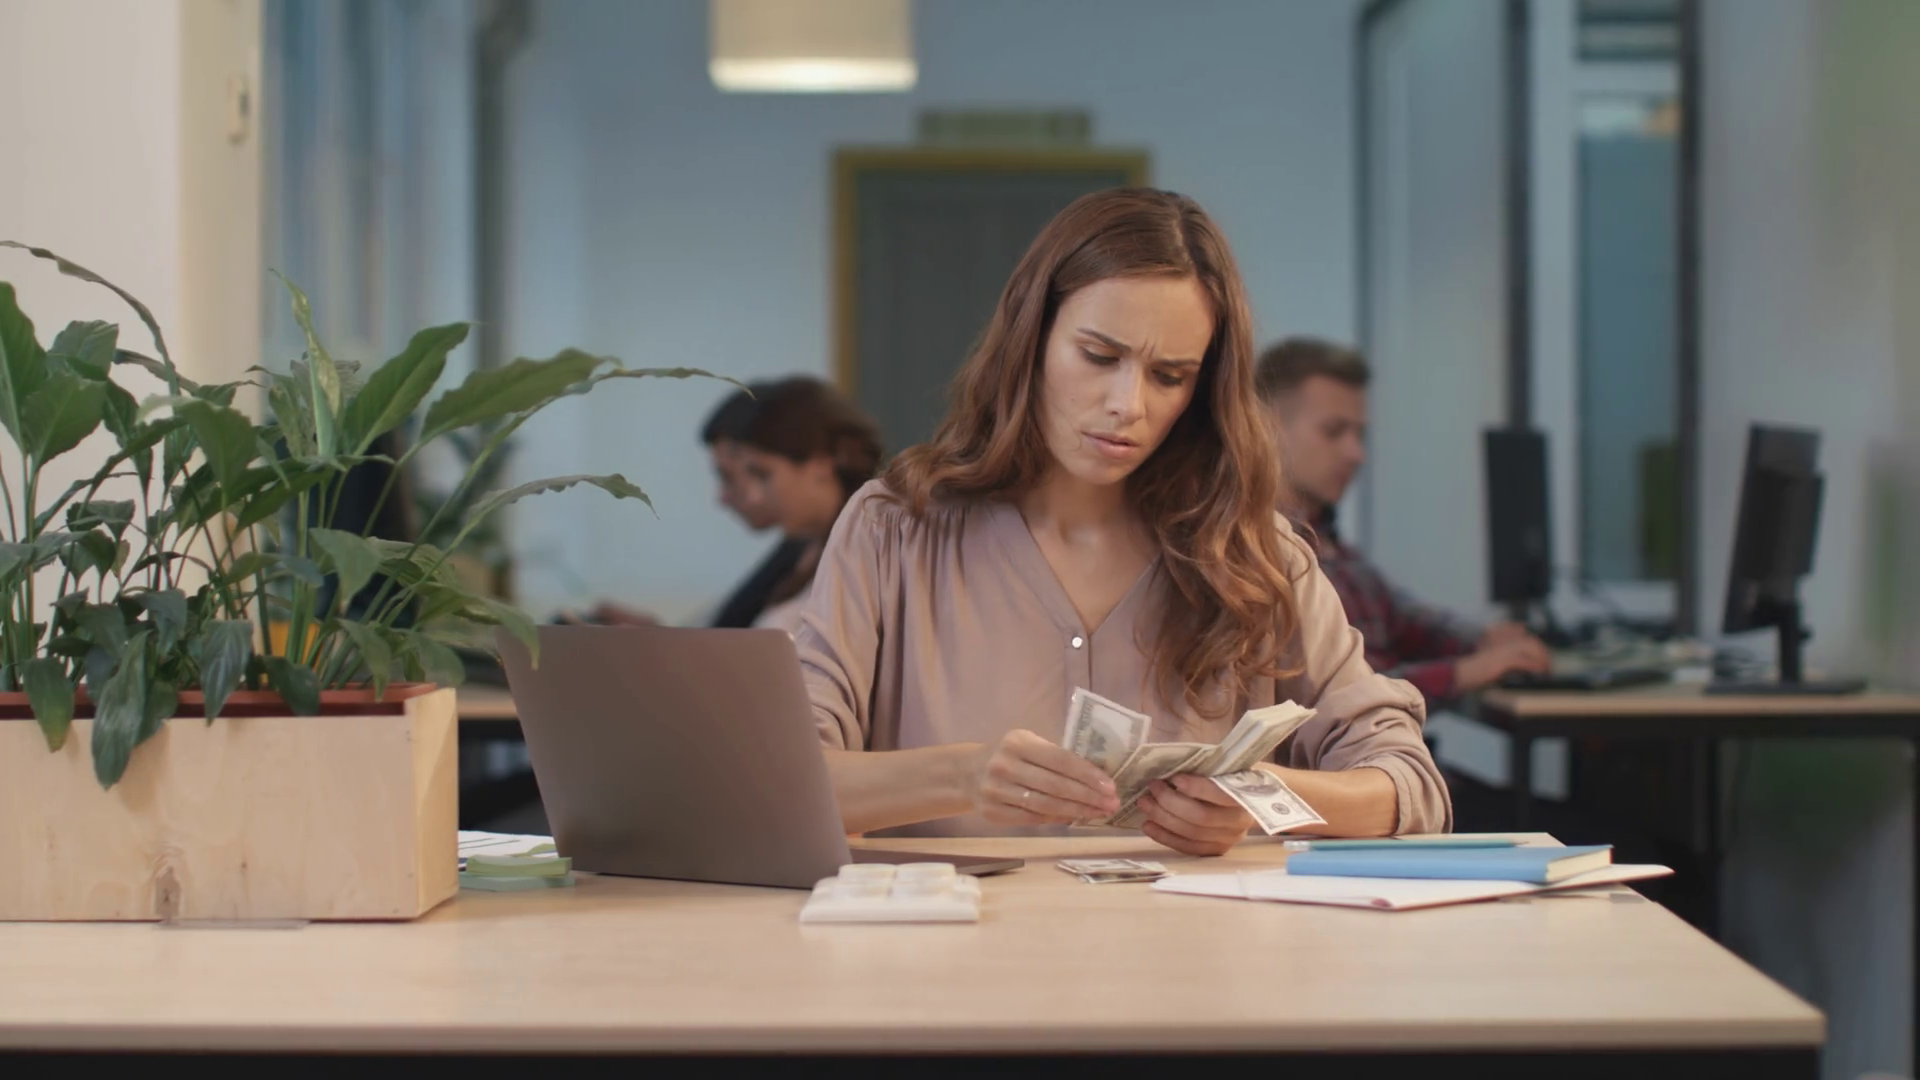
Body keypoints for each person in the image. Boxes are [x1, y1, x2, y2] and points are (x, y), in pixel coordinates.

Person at [794, 188, 1451, 857]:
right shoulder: (892, 532)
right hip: (957, 926)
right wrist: (959, 776)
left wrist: (1261, 798)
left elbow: (1412, 788)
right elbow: (782, 783)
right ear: (1032, 340)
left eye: (1169, 376)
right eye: (1100, 357)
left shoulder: (1259, 558)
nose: (1128, 405)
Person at [1253, 337, 1551, 706]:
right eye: (1334, 431)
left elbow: (1407, 620)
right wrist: (1469, 671)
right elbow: (1347, 695)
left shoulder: (1333, 547)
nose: (1356, 453)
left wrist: (1485, 640)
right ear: (1267, 426)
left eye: (1360, 435)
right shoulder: (1260, 554)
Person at [580, 381, 810, 628]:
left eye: (760, 473)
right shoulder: (794, 551)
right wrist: (660, 639)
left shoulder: (828, 556)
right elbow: (729, 635)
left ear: (820, 465)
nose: (724, 498)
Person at [724, 376, 885, 635]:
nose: (755, 497)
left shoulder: (870, 553)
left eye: (763, 475)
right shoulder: (804, 548)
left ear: (822, 463)